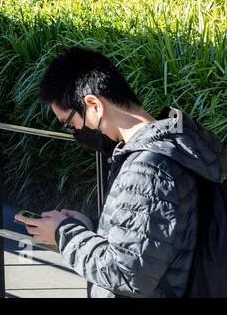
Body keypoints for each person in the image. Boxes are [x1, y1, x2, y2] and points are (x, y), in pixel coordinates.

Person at [17, 46, 224, 297]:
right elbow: (148, 249)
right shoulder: (170, 148)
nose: (75, 133)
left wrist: (64, 234)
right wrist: (87, 230)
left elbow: (128, 275)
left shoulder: (148, 170)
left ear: (94, 105)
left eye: (71, 124)